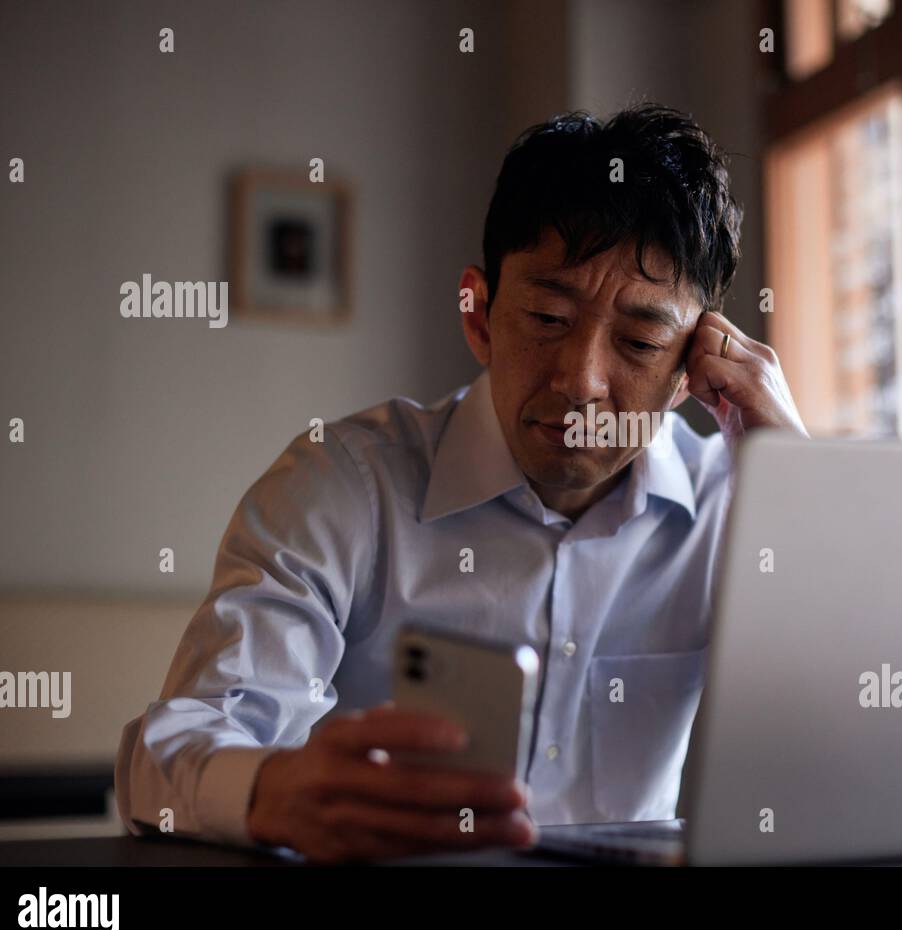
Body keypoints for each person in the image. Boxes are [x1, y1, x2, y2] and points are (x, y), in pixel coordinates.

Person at [114, 103, 807, 863]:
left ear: (690, 370)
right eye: (547, 316)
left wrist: (803, 497)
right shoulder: (343, 486)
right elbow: (166, 754)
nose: (581, 382)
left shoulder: (733, 511)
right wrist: (273, 790)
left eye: (641, 342)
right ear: (478, 316)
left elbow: (862, 738)